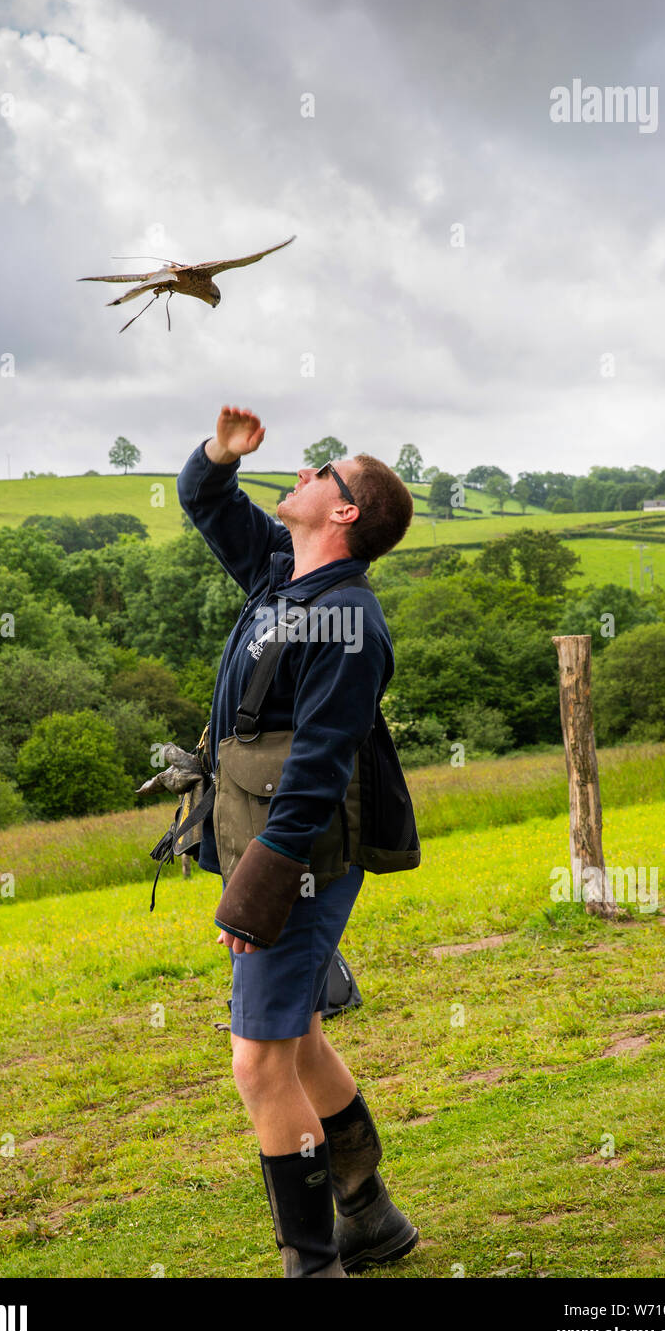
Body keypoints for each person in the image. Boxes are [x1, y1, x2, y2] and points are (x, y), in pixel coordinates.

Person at [177, 406, 419, 1278]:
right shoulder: (285, 577)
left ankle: (313, 1264)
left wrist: (260, 889)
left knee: (258, 1062)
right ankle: (369, 1214)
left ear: (345, 512)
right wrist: (220, 455)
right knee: (298, 1035)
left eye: (326, 469)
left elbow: (318, 769)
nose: (308, 471)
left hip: (301, 865)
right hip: (277, 852)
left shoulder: (348, 622)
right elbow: (205, 502)